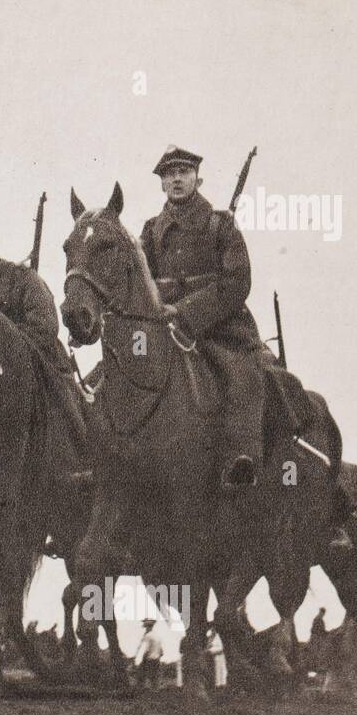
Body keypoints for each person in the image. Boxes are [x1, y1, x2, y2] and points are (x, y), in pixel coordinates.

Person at [140, 146, 265, 492]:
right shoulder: (150, 231)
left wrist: (186, 310)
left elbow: (238, 282)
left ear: (198, 178)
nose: (176, 178)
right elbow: (140, 282)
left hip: (220, 327)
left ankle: (240, 459)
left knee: (240, 376)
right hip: (163, 327)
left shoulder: (220, 225)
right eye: (169, 174)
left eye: (183, 172)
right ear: (162, 184)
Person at [0, 231, 88, 444]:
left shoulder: (24, 279)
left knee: (65, 411)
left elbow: (45, 328)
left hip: (40, 364)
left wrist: (2, 341)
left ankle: (79, 454)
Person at [136, 619, 165, 689]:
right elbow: (162, 652)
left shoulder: (148, 636)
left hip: (149, 659)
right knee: (155, 678)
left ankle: (141, 692)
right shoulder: (158, 636)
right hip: (157, 660)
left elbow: (144, 649)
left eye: (146, 627)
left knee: (142, 677)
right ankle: (156, 692)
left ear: (148, 627)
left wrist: (138, 659)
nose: (145, 629)